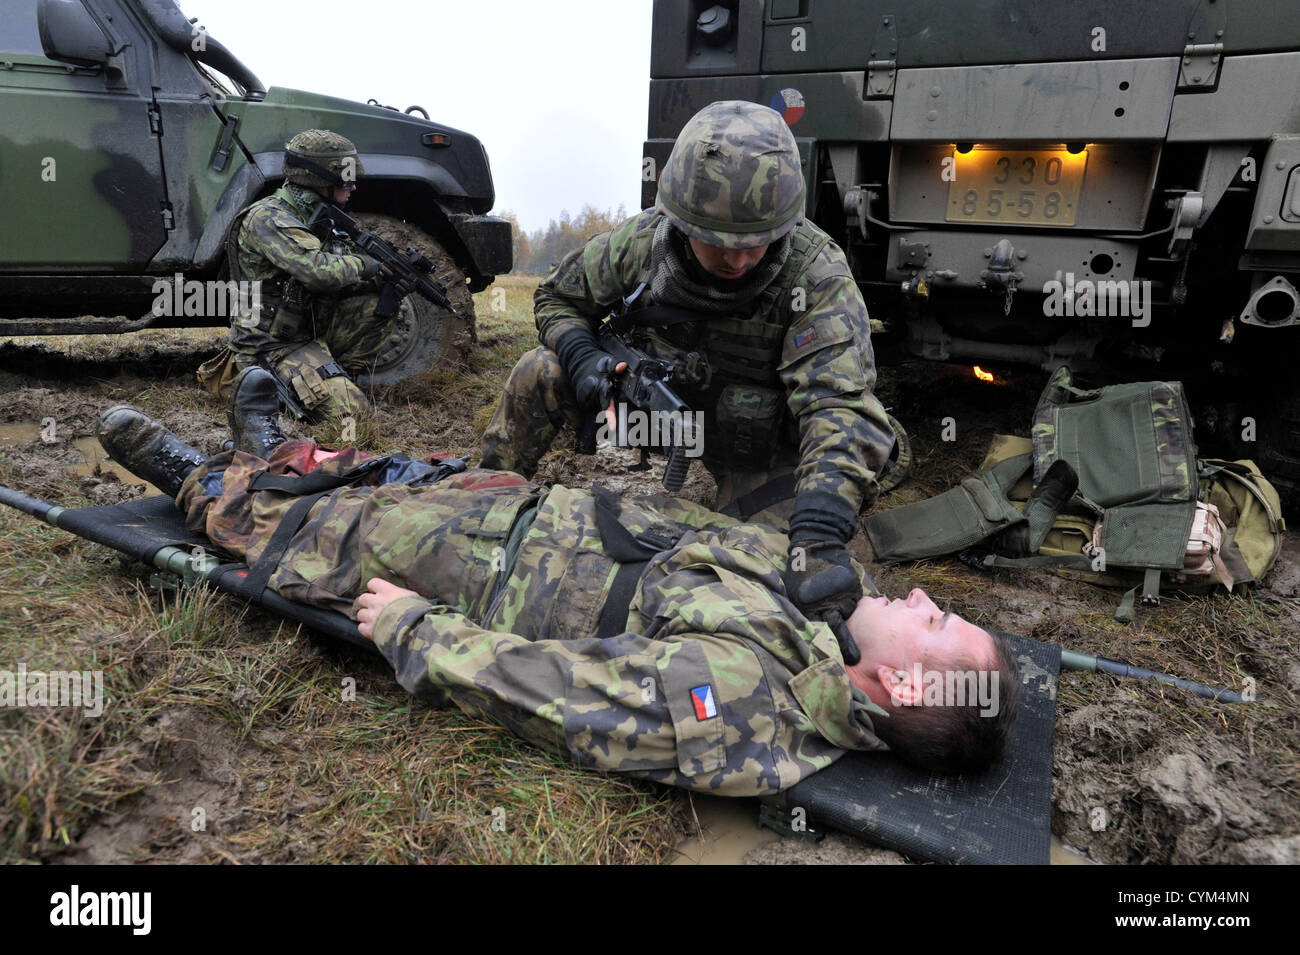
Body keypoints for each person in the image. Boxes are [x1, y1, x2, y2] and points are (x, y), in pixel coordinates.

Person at [97, 384, 1019, 796]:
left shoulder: (739, 710)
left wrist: (421, 631)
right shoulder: (830, 629)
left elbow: (561, 699)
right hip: (542, 516)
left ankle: (201, 483)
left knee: (318, 537)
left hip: (490, 576)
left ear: (902, 686)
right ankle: (274, 447)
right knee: (400, 474)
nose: (920, 601)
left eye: (936, 623)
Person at [479, 100, 897, 658]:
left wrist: (820, 532)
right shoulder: (640, 244)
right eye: (720, 242)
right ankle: (484, 499)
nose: (740, 260)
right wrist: (582, 356)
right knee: (541, 368)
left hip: (756, 446)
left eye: (758, 241)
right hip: (656, 416)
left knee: (757, 570)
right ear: (680, 222)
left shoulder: (816, 276)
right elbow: (558, 295)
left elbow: (839, 408)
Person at [201, 128, 409, 426]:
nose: (353, 188)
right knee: (354, 417)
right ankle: (277, 388)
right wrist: (367, 266)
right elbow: (319, 272)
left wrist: (387, 276)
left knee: (381, 306)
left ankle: (330, 374)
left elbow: (342, 274)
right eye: (347, 180)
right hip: (268, 348)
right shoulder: (269, 218)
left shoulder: (317, 218)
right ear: (322, 180)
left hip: (306, 332)